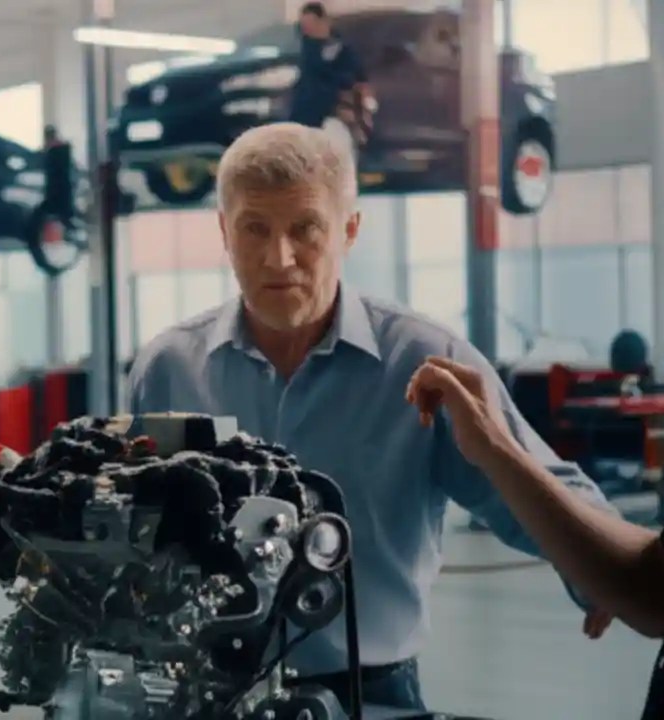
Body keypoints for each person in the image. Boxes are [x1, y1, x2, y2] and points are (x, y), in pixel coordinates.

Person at [126, 122, 615, 711]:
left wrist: (602, 571)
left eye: (305, 228)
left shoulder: (424, 358)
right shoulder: (168, 369)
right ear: (224, 232)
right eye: (255, 228)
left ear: (349, 230)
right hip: (204, 691)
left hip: (369, 692)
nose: (279, 258)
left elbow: (533, 482)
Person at [407, 316, 664, 716]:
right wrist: (596, 571)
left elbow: (654, 589)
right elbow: (654, 584)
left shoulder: (420, 351)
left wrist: (496, 446)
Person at [290, 2, 376, 154]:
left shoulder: (341, 49)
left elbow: (359, 77)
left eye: (311, 24)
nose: (308, 29)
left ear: (323, 21)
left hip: (336, 110)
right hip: (309, 112)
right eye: (304, 25)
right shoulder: (306, 49)